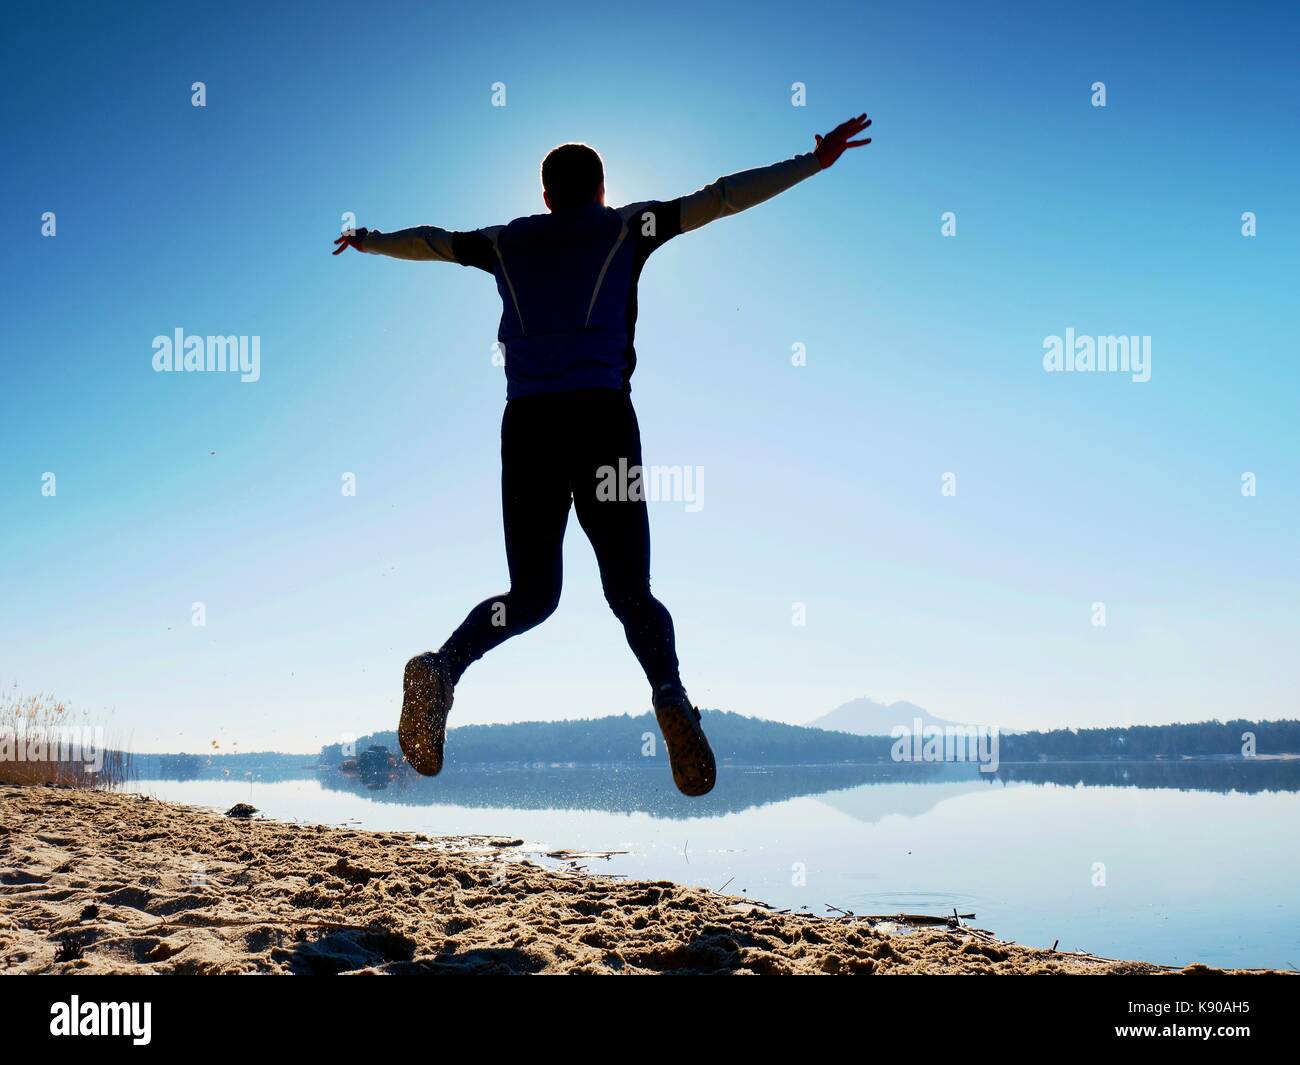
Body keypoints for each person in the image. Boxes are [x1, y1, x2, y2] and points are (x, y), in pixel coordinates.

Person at [333, 113, 872, 796]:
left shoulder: (507, 241)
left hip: (528, 428)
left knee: (531, 594)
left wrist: (370, 241)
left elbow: (434, 243)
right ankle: (670, 694)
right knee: (629, 590)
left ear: (546, 193)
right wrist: (810, 162)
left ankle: (443, 666)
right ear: (601, 188)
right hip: (602, 424)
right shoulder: (626, 228)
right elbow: (723, 196)